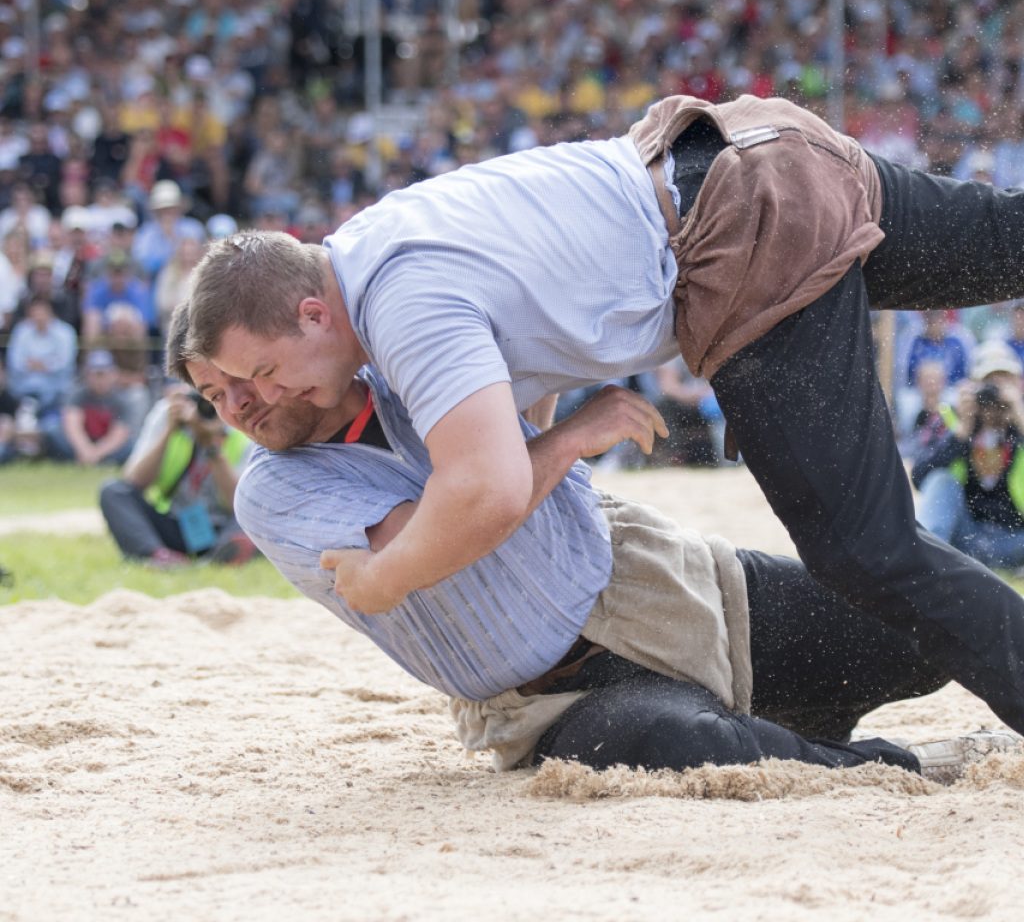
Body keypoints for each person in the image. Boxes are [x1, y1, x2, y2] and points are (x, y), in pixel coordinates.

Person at [184, 93, 1024, 735]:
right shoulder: (380, 243)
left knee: (863, 551)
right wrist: (558, 435)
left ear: (311, 314)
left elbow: (486, 488)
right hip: (755, 151)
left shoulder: (400, 305)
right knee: (1004, 243)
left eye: (265, 369)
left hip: (742, 233)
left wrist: (384, 577)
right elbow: (526, 377)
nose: (273, 394)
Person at [164, 303, 980, 780]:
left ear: (302, 337)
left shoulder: (413, 363)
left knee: (923, 625)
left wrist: (550, 406)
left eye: (248, 376)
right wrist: (568, 440)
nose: (237, 405)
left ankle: (805, 713)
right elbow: (433, 537)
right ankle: (899, 765)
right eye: (212, 395)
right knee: (687, 742)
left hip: (667, 586)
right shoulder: (274, 487)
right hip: (549, 699)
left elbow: (535, 375)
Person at [99, 378, 253, 568]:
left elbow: (239, 505)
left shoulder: (242, 419)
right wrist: (170, 429)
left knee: (254, 513)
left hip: (222, 527)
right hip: (175, 521)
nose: (204, 408)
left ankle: (220, 556)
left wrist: (211, 444)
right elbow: (134, 480)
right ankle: (158, 555)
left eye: (213, 400)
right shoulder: (167, 412)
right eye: (199, 399)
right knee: (113, 491)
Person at [914, 341, 1024, 571]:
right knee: (941, 479)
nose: (994, 392)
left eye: (1003, 382)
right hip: (966, 536)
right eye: (989, 383)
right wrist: (962, 432)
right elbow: (920, 476)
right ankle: (925, 565)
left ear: (1018, 385)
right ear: (973, 386)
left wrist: (1018, 417)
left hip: (1016, 538)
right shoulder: (954, 418)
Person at [47, 349, 132, 465]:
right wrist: (85, 450)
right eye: (96, 375)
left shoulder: (121, 399)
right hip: (81, 441)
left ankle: (92, 460)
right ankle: (94, 460)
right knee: (53, 432)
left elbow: (119, 434)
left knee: (131, 445)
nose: (100, 380)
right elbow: (72, 426)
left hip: (105, 444)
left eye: (103, 375)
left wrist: (95, 454)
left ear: (113, 375)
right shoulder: (77, 393)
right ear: (87, 375)